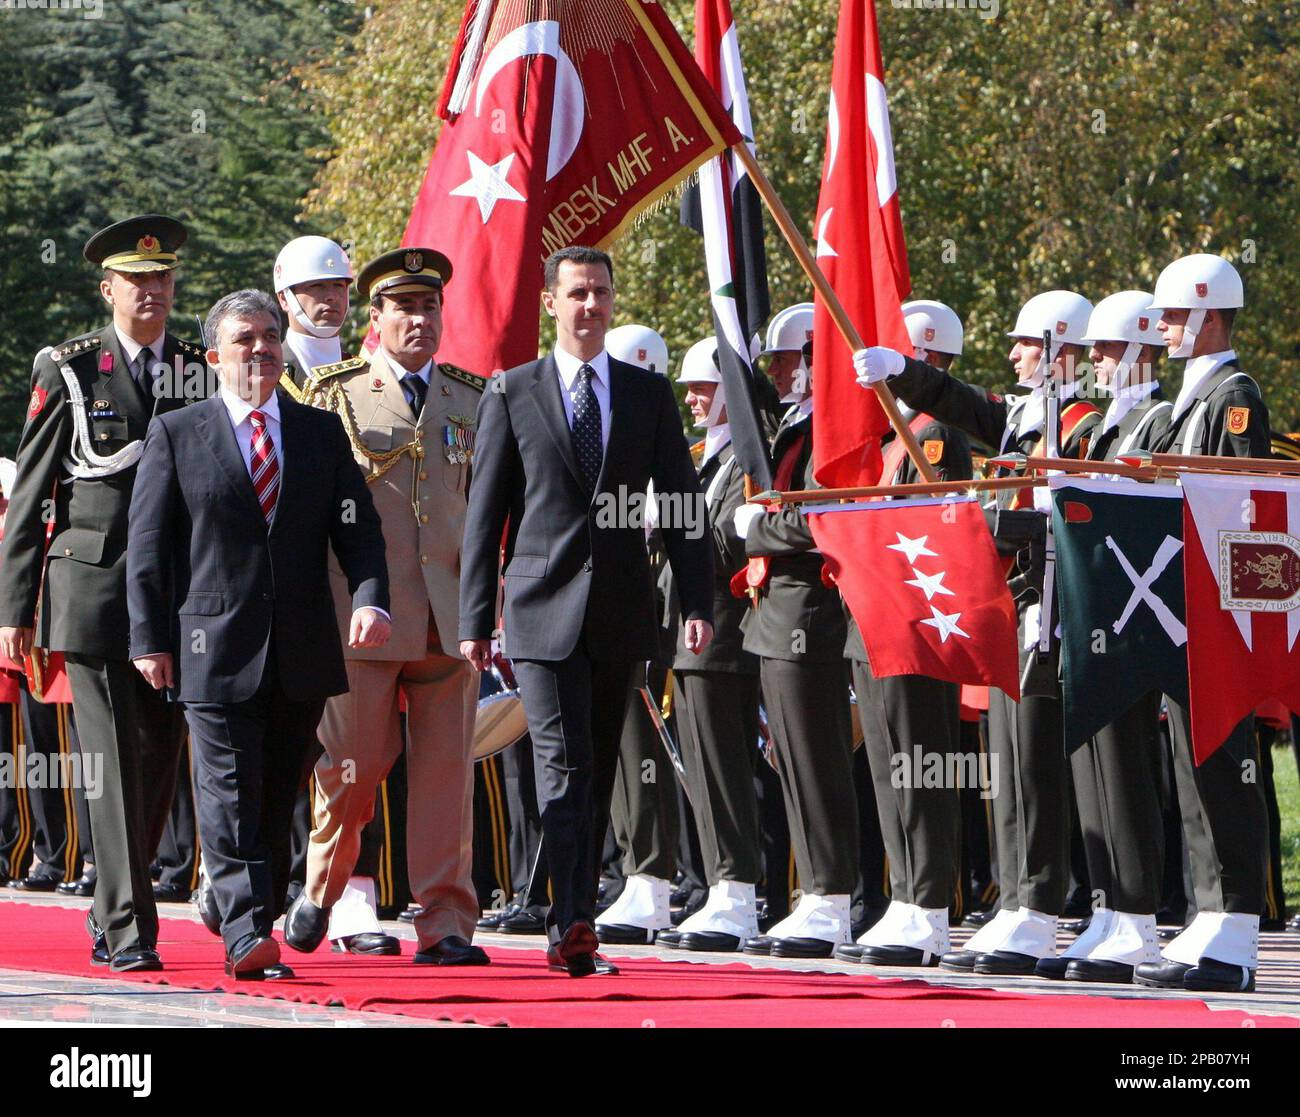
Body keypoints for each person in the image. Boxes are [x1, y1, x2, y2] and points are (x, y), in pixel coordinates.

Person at [458, 246, 714, 977]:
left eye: (600, 292)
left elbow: (684, 504)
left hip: (620, 610)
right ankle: (572, 920)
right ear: (551, 303)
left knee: (596, 769)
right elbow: (487, 512)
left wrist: (695, 597)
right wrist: (477, 617)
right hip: (539, 610)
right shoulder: (513, 391)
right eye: (576, 293)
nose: (589, 306)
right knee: (562, 763)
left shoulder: (645, 393)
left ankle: (572, 913)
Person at [126, 288, 389, 980]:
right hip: (210, 647)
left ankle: (250, 910)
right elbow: (149, 545)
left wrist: (370, 597)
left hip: (301, 647)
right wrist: (147, 638)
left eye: (271, 335)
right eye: (244, 338)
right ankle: (246, 933)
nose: (261, 348)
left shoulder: (318, 433)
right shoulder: (179, 433)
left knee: (277, 796)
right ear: (214, 355)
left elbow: (358, 529)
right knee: (229, 789)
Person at [854, 289, 1101, 975]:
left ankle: (1041, 903)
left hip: (1058, 607)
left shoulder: (1082, 423)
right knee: (1009, 761)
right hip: (1013, 606)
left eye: (1026, 342)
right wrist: (900, 369)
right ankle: (1018, 899)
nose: (1015, 353)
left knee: (1036, 764)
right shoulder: (1022, 417)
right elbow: (959, 399)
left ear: (1060, 349)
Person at [0, 215, 200, 972]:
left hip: (177, 598)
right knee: (113, 761)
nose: (152, 291)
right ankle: (128, 927)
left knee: (155, 762)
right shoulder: (71, 368)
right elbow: (31, 492)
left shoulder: (195, 368)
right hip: (95, 590)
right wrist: (13, 608)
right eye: (137, 280)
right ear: (108, 287)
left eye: (162, 279)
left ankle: (116, 899)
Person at [285, 247, 488, 966]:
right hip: (363, 613)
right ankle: (323, 889)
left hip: (450, 616)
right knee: (352, 767)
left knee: (445, 777)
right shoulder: (336, 392)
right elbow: (306, 507)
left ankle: (445, 921)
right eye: (403, 306)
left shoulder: (473, 395)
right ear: (375, 319)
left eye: (429, 306)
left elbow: (494, 510)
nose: (418, 319)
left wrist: (488, 607)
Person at [1133, 253, 1270, 994]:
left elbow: (1244, 502)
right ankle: (1211, 909)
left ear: (1209, 314)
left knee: (1223, 764)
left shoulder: (1234, 393)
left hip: (1217, 610)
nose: (1165, 330)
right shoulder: (1192, 398)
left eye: (1175, 316)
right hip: (1183, 609)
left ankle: (1240, 923)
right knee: (1192, 765)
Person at [1038, 291, 1171, 983]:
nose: (1093, 361)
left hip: (1130, 619)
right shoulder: (1105, 424)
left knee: (1123, 771)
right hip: (1093, 615)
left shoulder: (1157, 418)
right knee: (1092, 768)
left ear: (1139, 349)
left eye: (1105, 349)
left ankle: (1141, 917)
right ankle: (1109, 907)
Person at [838, 299, 972, 968]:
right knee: (891, 768)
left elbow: (934, 532)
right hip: (875, 621)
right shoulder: (890, 437)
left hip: (916, 622)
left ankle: (930, 903)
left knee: (920, 763)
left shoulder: (937, 436)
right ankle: (905, 896)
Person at [733, 307, 859, 960]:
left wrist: (752, 525)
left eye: (787, 360)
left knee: (817, 760)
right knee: (795, 759)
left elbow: (822, 519)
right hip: (777, 614)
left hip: (809, 613)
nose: (779, 372)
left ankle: (831, 894)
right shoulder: (794, 425)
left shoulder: (827, 429)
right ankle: (818, 891)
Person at [655, 337, 764, 953]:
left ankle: (738, 892)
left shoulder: (747, 456)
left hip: (723, 634)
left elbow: (728, 541)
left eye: (705, 388)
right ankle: (724, 888)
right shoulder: (711, 456)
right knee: (702, 768)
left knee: (724, 770)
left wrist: (675, 521)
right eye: (691, 388)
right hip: (689, 635)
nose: (693, 398)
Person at [592, 323, 683, 946]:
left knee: (650, 756)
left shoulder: (673, 451)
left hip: (660, 625)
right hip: (616, 616)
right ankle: (635, 871)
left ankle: (656, 877)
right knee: (623, 755)